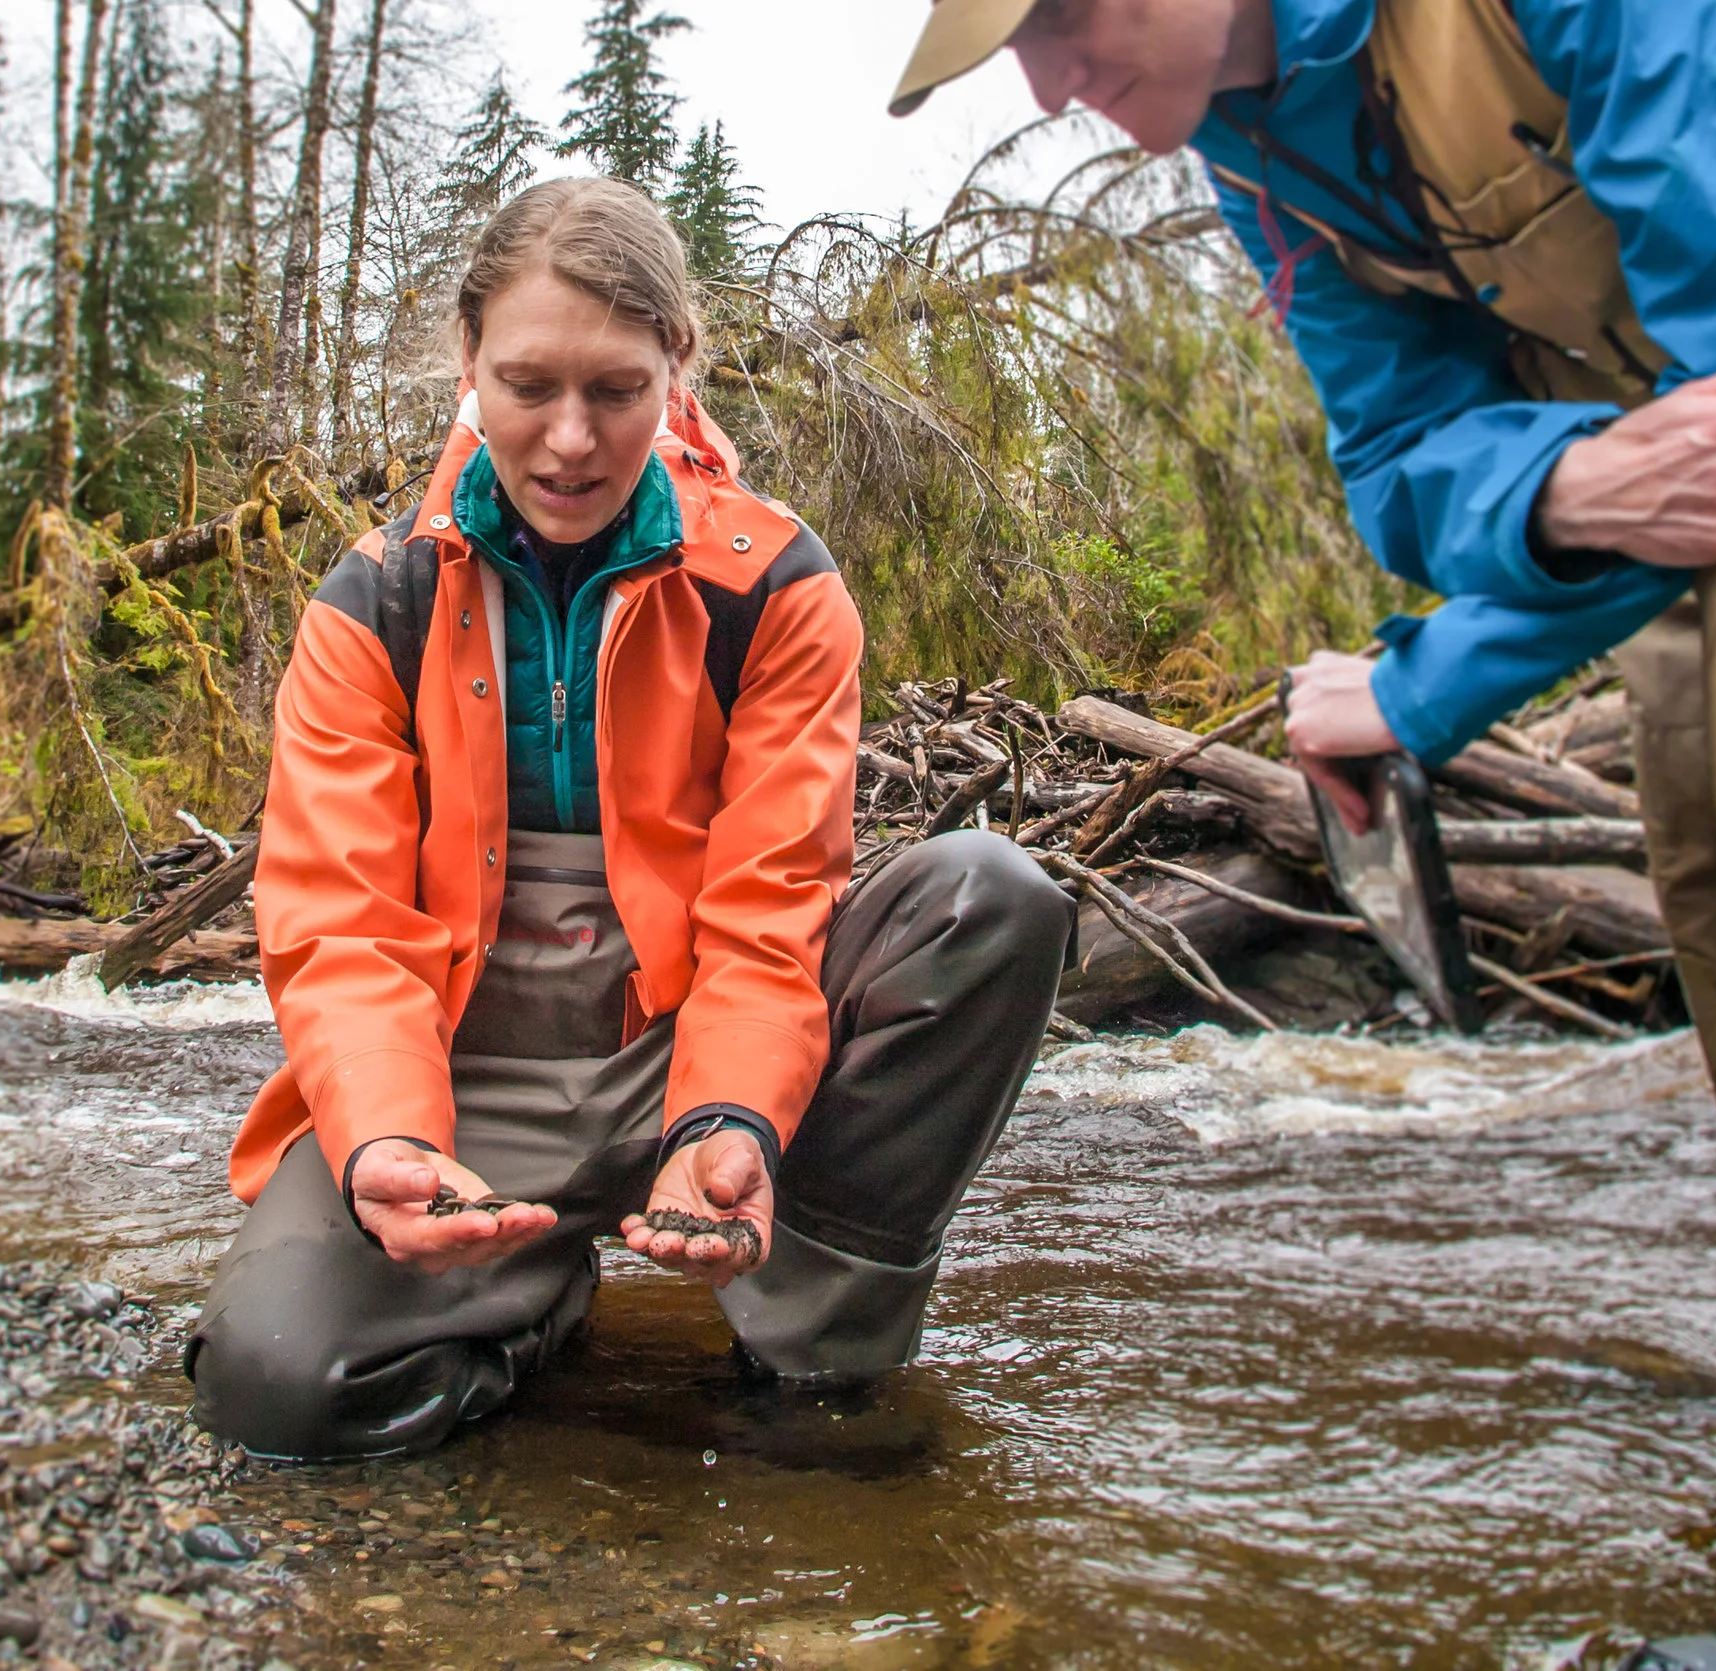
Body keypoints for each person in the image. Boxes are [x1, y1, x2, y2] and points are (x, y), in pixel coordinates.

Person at [887, 0, 1716, 1303]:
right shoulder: (1253, 160)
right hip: (1676, 519)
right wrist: (1567, 490)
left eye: (1065, 14)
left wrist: (1420, 685)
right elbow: (1398, 472)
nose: (1048, 84)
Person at [186, 178, 1074, 1461]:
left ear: (680, 367)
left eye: (613, 391)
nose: (567, 440)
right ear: (466, 364)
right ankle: (526, 1285)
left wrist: (725, 1121)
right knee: (282, 1392)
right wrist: (385, 1137)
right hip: (460, 1083)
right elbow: (338, 926)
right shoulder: (369, 604)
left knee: (991, 899)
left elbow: (771, 915)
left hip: (687, 1051)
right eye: (528, 385)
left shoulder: (774, 588)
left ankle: (808, 1345)